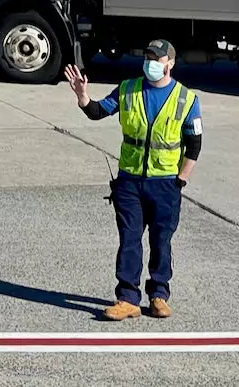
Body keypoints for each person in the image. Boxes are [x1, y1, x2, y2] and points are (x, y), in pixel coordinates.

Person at [65, 40, 202, 321]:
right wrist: (82, 97)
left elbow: (195, 144)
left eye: (158, 58)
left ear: (170, 63)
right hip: (129, 182)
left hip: (165, 184)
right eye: (148, 56)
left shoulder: (186, 99)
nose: (151, 62)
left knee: (161, 241)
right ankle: (127, 298)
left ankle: (159, 295)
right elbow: (98, 111)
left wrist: (181, 180)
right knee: (129, 239)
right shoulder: (128, 89)